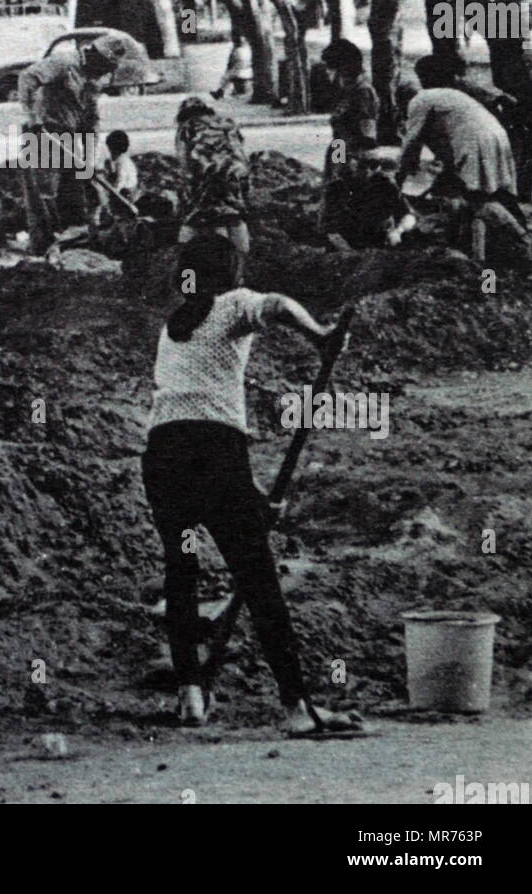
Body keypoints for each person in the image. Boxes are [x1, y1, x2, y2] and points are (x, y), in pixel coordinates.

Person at [142, 235, 361, 734]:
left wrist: (253, 497)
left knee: (182, 570)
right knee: (259, 579)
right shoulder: (233, 304)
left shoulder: (173, 326)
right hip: (214, 451)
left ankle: (191, 694)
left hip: (163, 457)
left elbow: (190, 415)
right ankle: (295, 708)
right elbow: (278, 305)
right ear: (232, 272)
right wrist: (321, 336)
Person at [398, 58, 529, 265]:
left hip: (475, 141)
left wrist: (400, 175)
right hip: (494, 136)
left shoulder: (421, 100)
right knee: (495, 193)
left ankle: (518, 246)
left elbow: (411, 142)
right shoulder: (450, 95)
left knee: (478, 199)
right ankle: (502, 244)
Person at [17, 36, 126, 255]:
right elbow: (27, 77)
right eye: (104, 66)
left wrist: (89, 158)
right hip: (43, 132)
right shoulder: (64, 63)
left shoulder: (93, 81)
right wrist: (32, 117)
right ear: (94, 57)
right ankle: (41, 248)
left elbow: (91, 122)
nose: (104, 72)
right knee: (43, 193)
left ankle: (72, 245)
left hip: (68, 136)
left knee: (75, 191)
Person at [319, 39, 379, 247]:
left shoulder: (362, 92)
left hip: (351, 155)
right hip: (340, 151)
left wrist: (352, 166)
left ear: (343, 67)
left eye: (331, 68)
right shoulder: (349, 90)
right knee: (334, 204)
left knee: (341, 209)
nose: (328, 73)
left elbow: (367, 134)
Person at [174, 96, 250, 258]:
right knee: (234, 218)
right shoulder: (227, 122)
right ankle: (240, 269)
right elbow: (240, 150)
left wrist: (186, 194)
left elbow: (184, 163)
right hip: (237, 174)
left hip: (209, 174)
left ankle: (186, 268)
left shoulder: (187, 127)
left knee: (197, 220)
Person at [212, 32, 253, 100]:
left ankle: (220, 92)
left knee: (226, 76)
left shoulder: (236, 50)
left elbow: (231, 62)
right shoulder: (250, 50)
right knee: (230, 74)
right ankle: (222, 92)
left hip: (239, 71)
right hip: (249, 71)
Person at [102, 130, 140, 203]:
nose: (109, 152)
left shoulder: (122, 162)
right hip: (125, 190)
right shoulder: (120, 160)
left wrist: (108, 194)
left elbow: (120, 182)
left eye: (110, 149)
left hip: (127, 194)